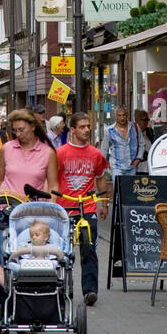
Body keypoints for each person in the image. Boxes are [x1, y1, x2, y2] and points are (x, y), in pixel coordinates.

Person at [55, 112, 111, 305]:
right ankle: (59, 289)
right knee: (61, 251)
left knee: (89, 249)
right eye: (82, 127)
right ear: (72, 130)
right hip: (64, 208)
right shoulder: (60, 153)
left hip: (87, 207)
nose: (87, 130)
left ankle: (90, 291)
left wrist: (104, 204)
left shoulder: (96, 154)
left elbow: (101, 178)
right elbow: (53, 181)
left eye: (88, 126)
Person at [0, 108, 59, 202]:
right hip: (6, 209)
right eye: (15, 130)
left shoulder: (48, 153)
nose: (18, 134)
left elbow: (53, 185)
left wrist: (49, 209)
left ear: (33, 127)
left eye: (21, 129)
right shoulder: (6, 148)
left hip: (33, 210)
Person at [103, 107, 141, 185]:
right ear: (116, 116)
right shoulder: (109, 130)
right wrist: (104, 166)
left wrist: (138, 158)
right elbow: (104, 148)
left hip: (131, 166)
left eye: (123, 115)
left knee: (131, 191)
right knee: (118, 192)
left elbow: (141, 144)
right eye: (119, 115)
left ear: (127, 115)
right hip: (116, 166)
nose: (122, 118)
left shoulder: (135, 127)